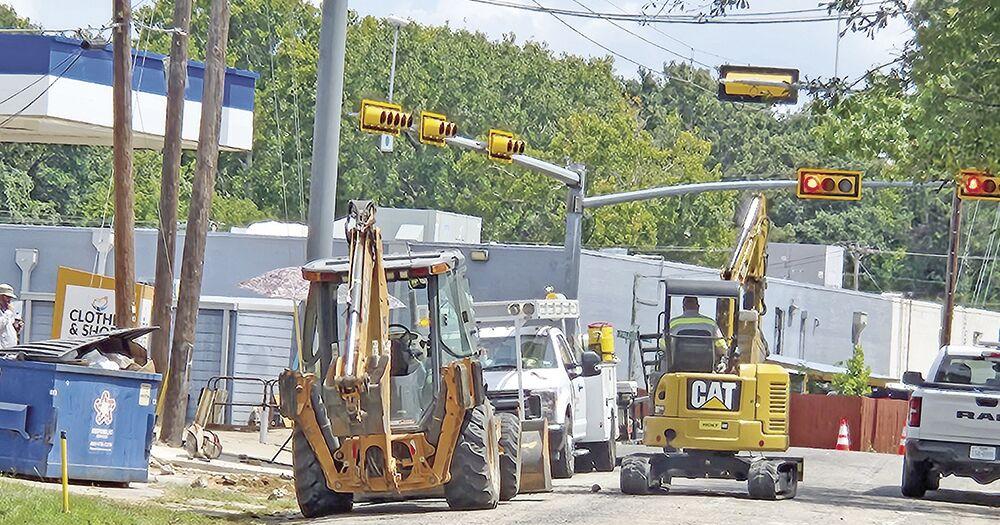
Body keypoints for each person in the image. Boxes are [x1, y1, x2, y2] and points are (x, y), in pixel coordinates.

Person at [667, 296, 727, 363]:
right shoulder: (711, 323)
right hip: (706, 366)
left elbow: (663, 345)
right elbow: (722, 348)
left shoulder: (672, 323)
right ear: (698, 307)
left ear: (683, 307)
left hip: (678, 365)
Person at [0, 284, 23, 349]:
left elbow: (8, 329)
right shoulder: (8, 312)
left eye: (10, 298)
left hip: (9, 351)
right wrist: (9, 312)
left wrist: (17, 328)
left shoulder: (7, 312)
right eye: (7, 297)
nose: (9, 300)